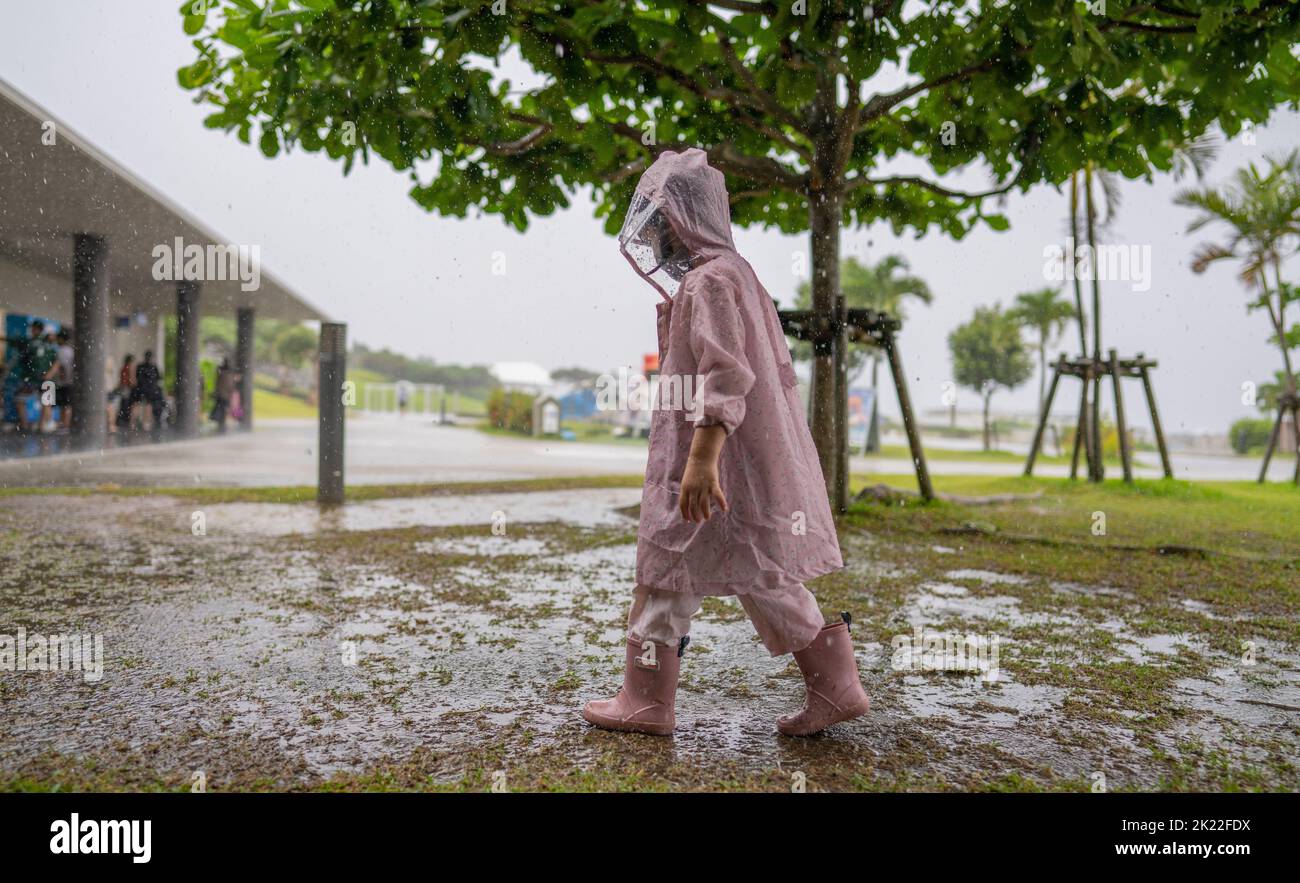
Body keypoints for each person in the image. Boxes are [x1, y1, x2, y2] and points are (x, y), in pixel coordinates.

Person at [581, 149, 869, 738]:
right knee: (758, 571)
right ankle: (835, 685)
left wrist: (701, 460)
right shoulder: (736, 275)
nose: (652, 232)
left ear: (684, 218)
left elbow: (726, 373)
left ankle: (647, 701)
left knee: (670, 566)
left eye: (658, 218)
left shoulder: (709, 281)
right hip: (738, 463)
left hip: (712, 460)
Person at [131, 351, 166, 435]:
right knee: (148, 405)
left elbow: (136, 377)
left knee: (137, 404)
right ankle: (146, 423)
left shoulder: (140, 366)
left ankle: (132, 423)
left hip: (140, 388)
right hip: (150, 389)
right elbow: (159, 378)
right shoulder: (153, 367)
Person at [210, 357, 237, 433]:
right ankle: (221, 423)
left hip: (221, 394)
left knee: (220, 408)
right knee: (223, 409)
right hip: (225, 394)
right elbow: (230, 385)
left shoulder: (221, 371)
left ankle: (220, 423)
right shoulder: (229, 372)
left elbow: (218, 383)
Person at [114, 354, 136, 431]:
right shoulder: (127, 368)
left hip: (125, 387)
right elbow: (127, 379)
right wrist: (131, 384)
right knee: (125, 403)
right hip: (126, 388)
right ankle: (123, 420)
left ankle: (122, 419)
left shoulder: (124, 368)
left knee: (124, 403)